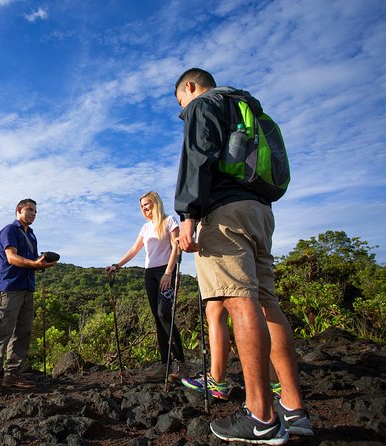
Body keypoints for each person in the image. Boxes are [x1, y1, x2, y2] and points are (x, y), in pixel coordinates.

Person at [174, 68, 313, 444]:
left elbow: (198, 157)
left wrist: (187, 215)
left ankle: (260, 416)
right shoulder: (248, 108)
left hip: (224, 214)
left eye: (180, 103)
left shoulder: (206, 103)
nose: (182, 112)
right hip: (259, 212)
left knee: (240, 301)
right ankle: (294, 409)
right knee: (267, 302)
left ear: (190, 87)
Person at [105, 191, 186, 382]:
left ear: (156, 203)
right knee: (158, 320)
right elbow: (134, 249)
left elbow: (176, 247)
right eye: (141, 206)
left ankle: (181, 364)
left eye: (147, 204)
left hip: (165, 272)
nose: (144, 208)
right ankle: (164, 365)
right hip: (149, 273)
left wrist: (168, 272)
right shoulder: (145, 227)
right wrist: (117, 265)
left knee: (164, 314)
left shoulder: (169, 221)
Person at [0, 198, 57, 397]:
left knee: (22, 333)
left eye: (35, 211)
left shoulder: (31, 236)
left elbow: (30, 262)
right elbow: (11, 258)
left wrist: (40, 263)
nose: (33, 214)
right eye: (30, 210)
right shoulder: (9, 230)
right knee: (1, 333)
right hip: (9, 289)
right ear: (19, 210)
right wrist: (34, 265)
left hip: (27, 289)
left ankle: (12, 375)